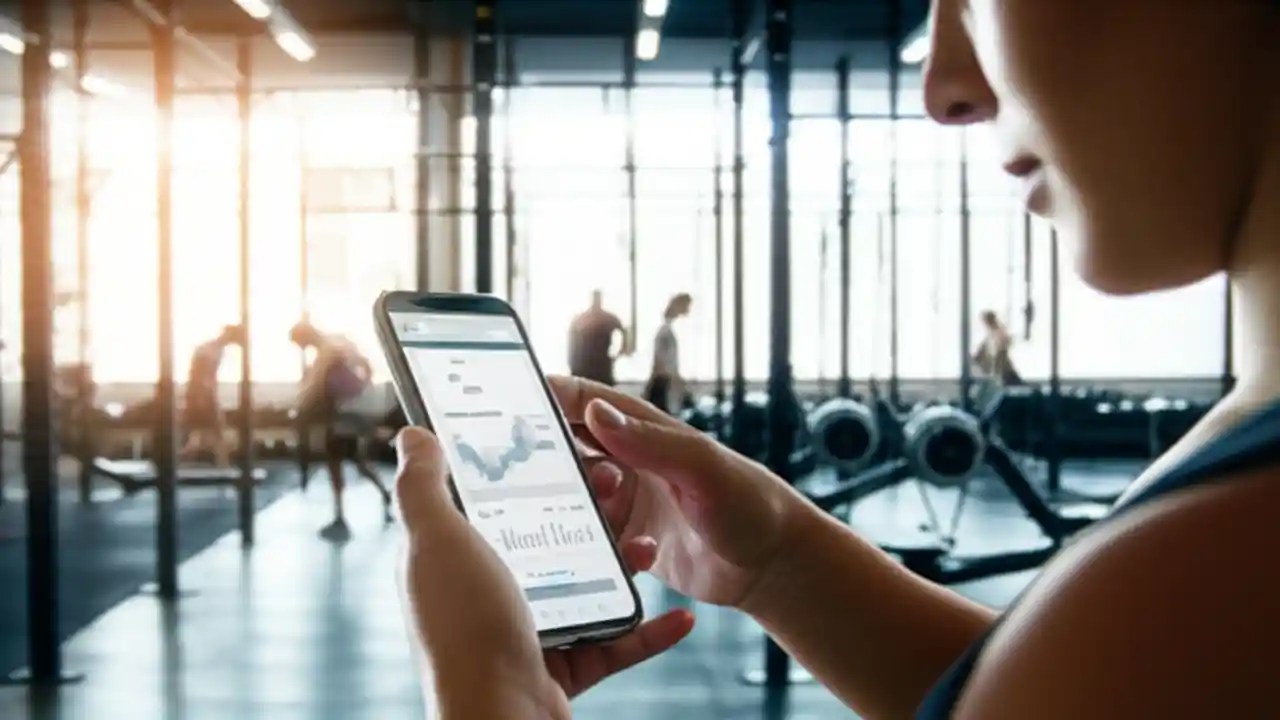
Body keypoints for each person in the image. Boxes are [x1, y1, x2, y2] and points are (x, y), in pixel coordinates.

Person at [392, 3, 1280, 718]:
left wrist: (492, 693)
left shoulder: (1223, 559)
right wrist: (782, 562)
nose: (944, 87)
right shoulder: (1222, 509)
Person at [291, 321, 393, 541]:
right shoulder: (337, 342)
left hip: (341, 414)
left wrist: (351, 394)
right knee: (355, 459)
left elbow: (319, 386)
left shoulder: (328, 350)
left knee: (336, 460)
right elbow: (365, 366)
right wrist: (362, 390)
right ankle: (383, 495)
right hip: (349, 411)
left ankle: (341, 516)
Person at [180, 324, 244, 467]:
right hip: (201, 392)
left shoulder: (214, 349)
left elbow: (205, 375)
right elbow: (200, 375)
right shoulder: (210, 350)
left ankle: (183, 461)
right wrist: (204, 396)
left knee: (197, 432)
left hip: (200, 392)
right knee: (215, 430)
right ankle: (223, 465)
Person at [643, 293, 692, 414]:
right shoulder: (666, 330)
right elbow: (660, 360)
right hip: (663, 382)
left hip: (666, 381)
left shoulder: (669, 329)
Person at [567, 290, 628, 386]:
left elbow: (623, 330)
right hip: (584, 366)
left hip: (601, 366)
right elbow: (572, 341)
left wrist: (622, 350)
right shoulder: (582, 319)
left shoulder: (606, 318)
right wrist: (572, 364)